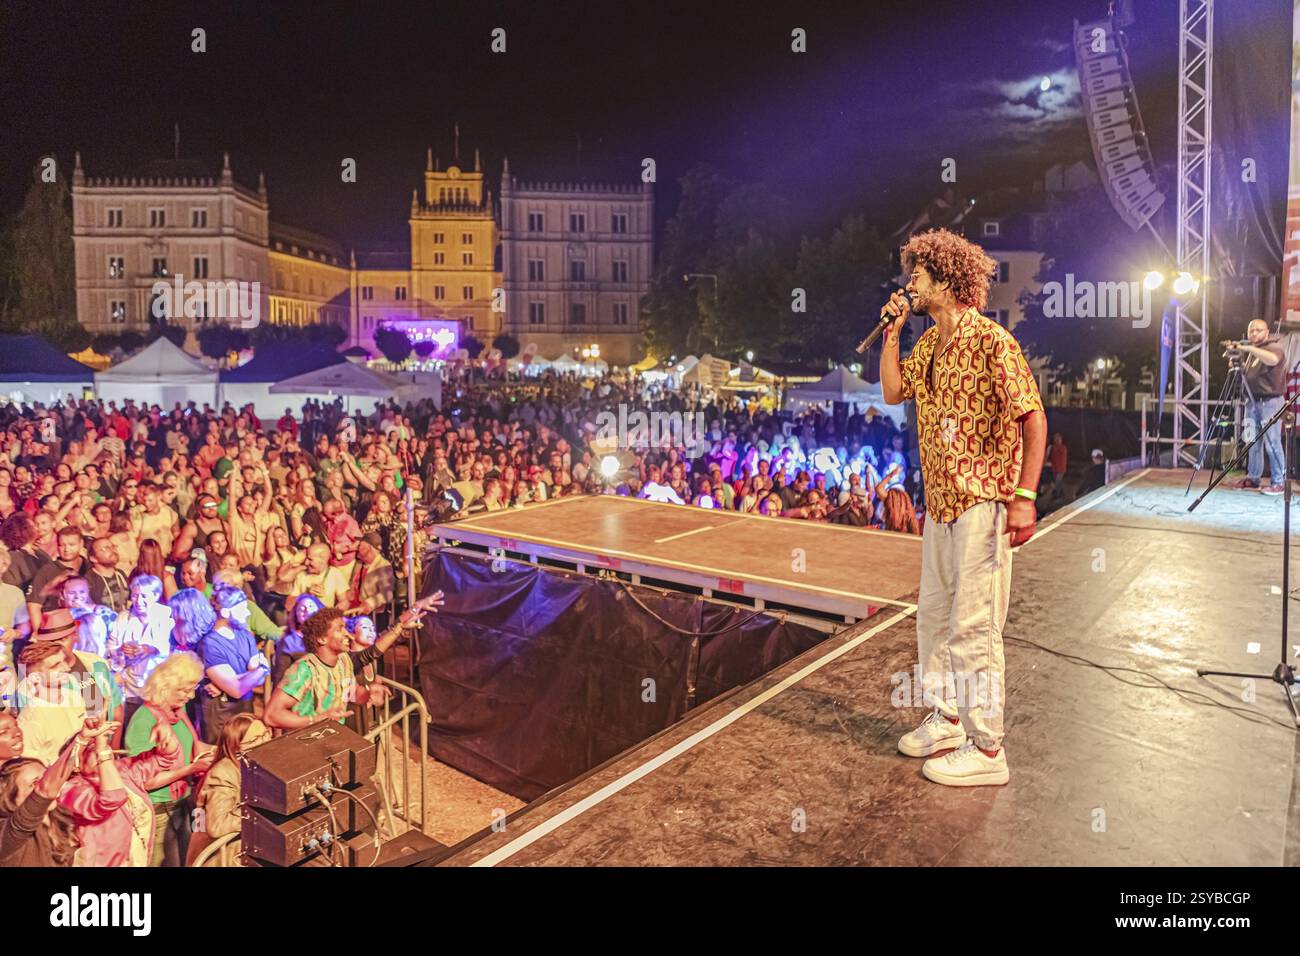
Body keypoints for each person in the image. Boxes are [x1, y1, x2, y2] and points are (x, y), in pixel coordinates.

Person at [881, 228, 1046, 787]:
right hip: (941, 505)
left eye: (918, 275)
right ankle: (948, 717)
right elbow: (892, 392)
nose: (911, 283)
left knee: (975, 625)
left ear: (947, 280)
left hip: (983, 502)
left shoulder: (992, 341)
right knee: (934, 617)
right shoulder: (928, 343)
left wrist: (1024, 498)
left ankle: (988, 747)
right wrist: (892, 335)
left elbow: (1034, 418)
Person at [264, 594, 443, 731]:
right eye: (340, 629)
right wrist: (317, 720)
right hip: (305, 747)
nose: (347, 634)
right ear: (321, 639)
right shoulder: (304, 670)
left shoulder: (343, 661)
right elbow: (272, 715)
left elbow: (353, 690)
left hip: (333, 739)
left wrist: (368, 693)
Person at [124, 651, 212, 867]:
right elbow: (144, 781)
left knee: (188, 860)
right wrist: (190, 769)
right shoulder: (144, 722)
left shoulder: (176, 713)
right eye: (184, 690)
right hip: (159, 810)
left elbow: (195, 746)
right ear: (164, 687)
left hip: (183, 802)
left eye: (192, 689)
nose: (190, 696)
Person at [59, 713, 181, 867]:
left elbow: (165, 757)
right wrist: (102, 750)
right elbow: (112, 798)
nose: (100, 746)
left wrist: (167, 734)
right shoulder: (71, 790)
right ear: (77, 762)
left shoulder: (122, 770)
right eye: (92, 745)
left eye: (102, 741)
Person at [15, 609, 123, 764]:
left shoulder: (96, 664)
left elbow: (116, 709)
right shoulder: (28, 688)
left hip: (98, 758)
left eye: (62, 639)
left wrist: (111, 753)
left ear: (75, 635)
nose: (57, 646)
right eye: (50, 642)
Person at [186, 713, 271, 866]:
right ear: (236, 748)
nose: (265, 741)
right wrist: (263, 816)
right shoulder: (222, 772)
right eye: (255, 739)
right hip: (222, 858)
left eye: (266, 734)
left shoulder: (258, 765)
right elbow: (218, 825)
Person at [0, 715, 85, 867]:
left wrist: (85, 743)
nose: (17, 732)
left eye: (44, 776)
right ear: (11, 798)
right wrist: (80, 741)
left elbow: (59, 776)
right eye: (34, 784)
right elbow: (46, 789)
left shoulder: (59, 818)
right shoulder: (9, 835)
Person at [197, 584, 270, 744]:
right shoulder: (210, 644)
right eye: (242, 608)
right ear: (225, 612)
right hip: (221, 719)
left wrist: (251, 676)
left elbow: (258, 680)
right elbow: (237, 689)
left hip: (245, 712)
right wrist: (262, 668)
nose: (248, 613)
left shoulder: (245, 635)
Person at [106, 575, 174, 728]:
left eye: (144, 596)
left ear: (156, 596)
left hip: (158, 688)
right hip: (130, 688)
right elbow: (111, 648)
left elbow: (168, 647)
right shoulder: (123, 619)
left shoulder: (166, 617)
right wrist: (121, 650)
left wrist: (149, 649)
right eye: (135, 595)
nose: (139, 601)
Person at [1235, 319, 1288, 494]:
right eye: (1251, 331)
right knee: (1251, 441)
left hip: (1270, 402)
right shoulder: (1252, 353)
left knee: (1271, 442)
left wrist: (1249, 348)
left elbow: (1272, 361)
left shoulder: (1274, 348)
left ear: (1267, 332)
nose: (1254, 334)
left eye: (1258, 330)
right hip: (1252, 402)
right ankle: (1253, 477)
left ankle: (1278, 482)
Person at [1047, 432, 1068, 499]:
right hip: (1054, 468)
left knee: (1057, 482)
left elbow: (1059, 457)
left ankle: (1057, 495)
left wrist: (1051, 448)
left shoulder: (1063, 447)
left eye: (1058, 438)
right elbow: (1051, 457)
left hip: (1061, 469)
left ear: (1061, 439)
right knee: (1059, 482)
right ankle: (1062, 493)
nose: (1057, 439)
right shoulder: (1053, 447)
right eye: (1055, 438)